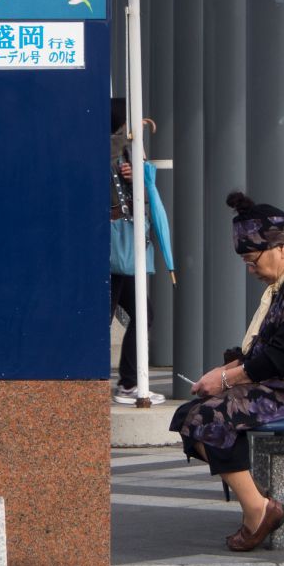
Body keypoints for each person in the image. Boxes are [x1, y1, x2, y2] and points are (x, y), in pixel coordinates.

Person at [169, 191, 284, 551]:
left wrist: (225, 379)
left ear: (280, 247)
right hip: (283, 384)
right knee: (188, 415)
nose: (251, 270)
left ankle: (258, 511)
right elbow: (265, 349)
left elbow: (280, 357)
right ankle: (259, 502)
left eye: (252, 260)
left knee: (208, 417)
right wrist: (225, 370)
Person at [110, 97, 165, 405]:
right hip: (114, 248)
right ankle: (123, 383)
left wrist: (138, 177)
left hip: (124, 249)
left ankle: (129, 382)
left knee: (144, 314)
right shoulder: (110, 152)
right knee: (112, 315)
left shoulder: (126, 155)